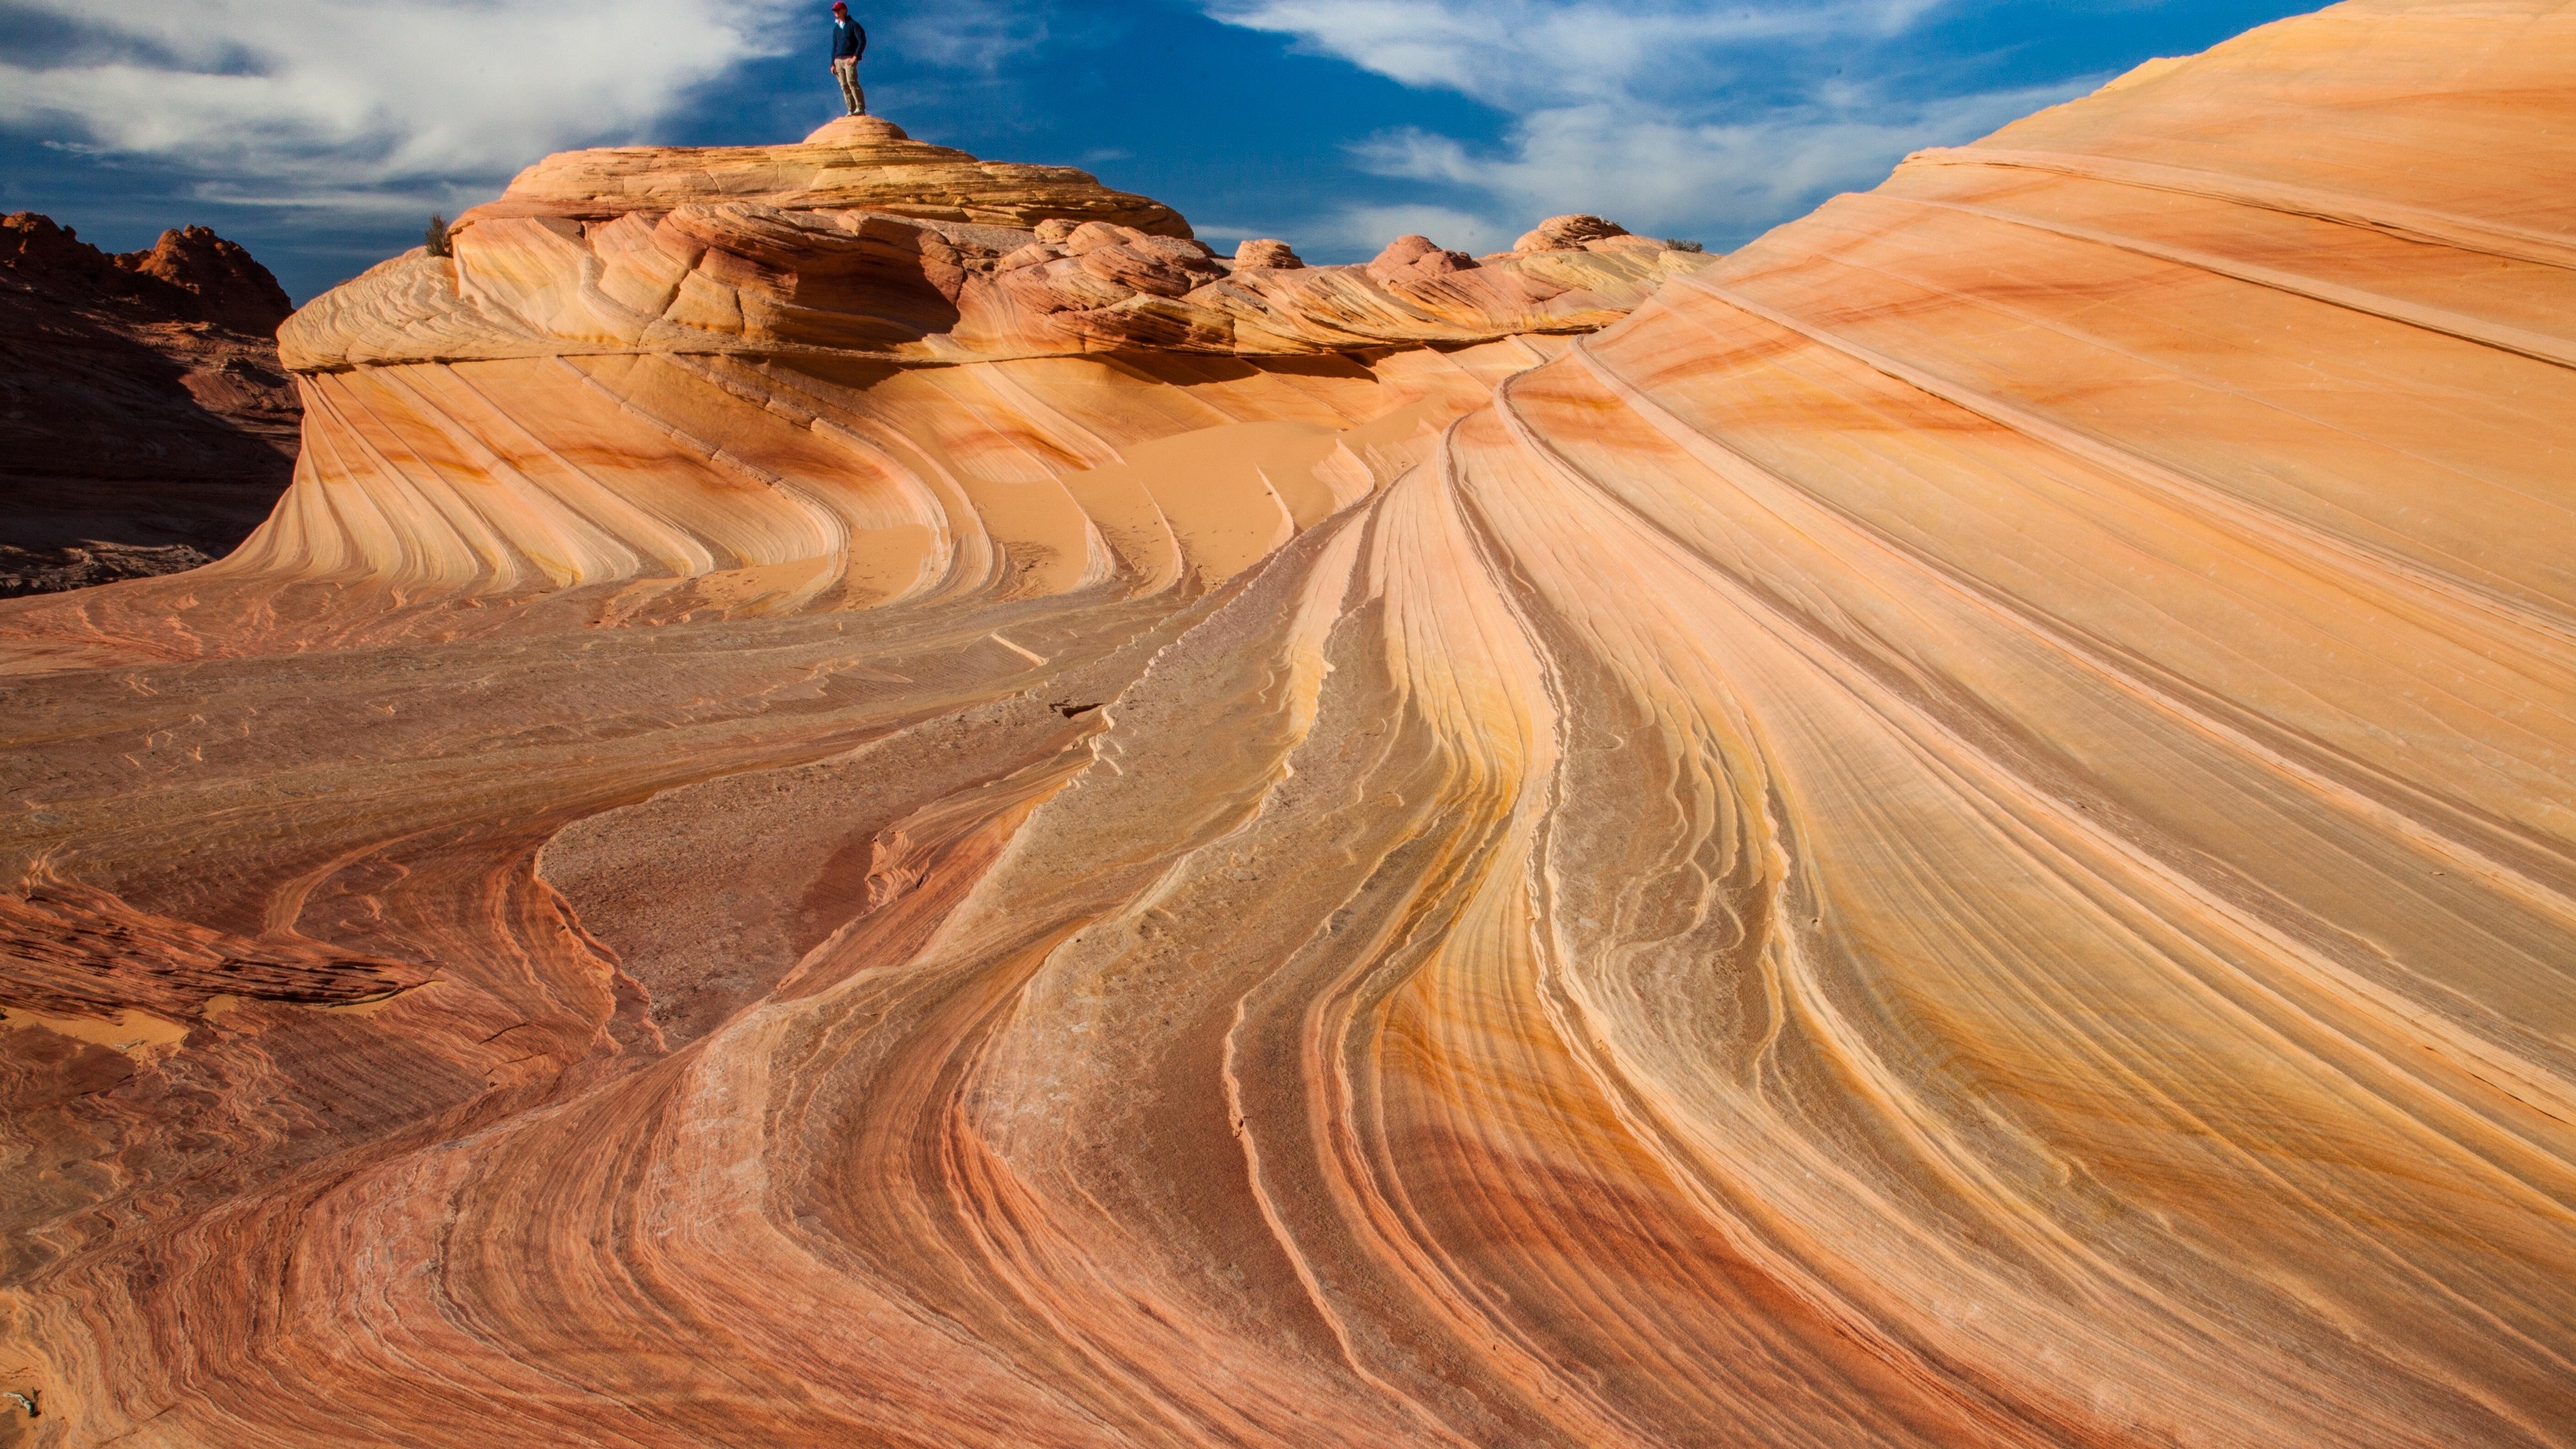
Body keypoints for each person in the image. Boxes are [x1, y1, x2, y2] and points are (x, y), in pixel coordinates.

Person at [829, 3, 867, 117]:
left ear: (844, 10)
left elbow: (862, 40)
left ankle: (860, 108)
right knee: (844, 85)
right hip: (838, 60)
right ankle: (851, 110)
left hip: (849, 58)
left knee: (852, 82)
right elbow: (834, 46)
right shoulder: (836, 28)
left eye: (838, 10)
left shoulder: (853, 25)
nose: (836, 12)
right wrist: (832, 63)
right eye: (835, 10)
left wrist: (856, 56)